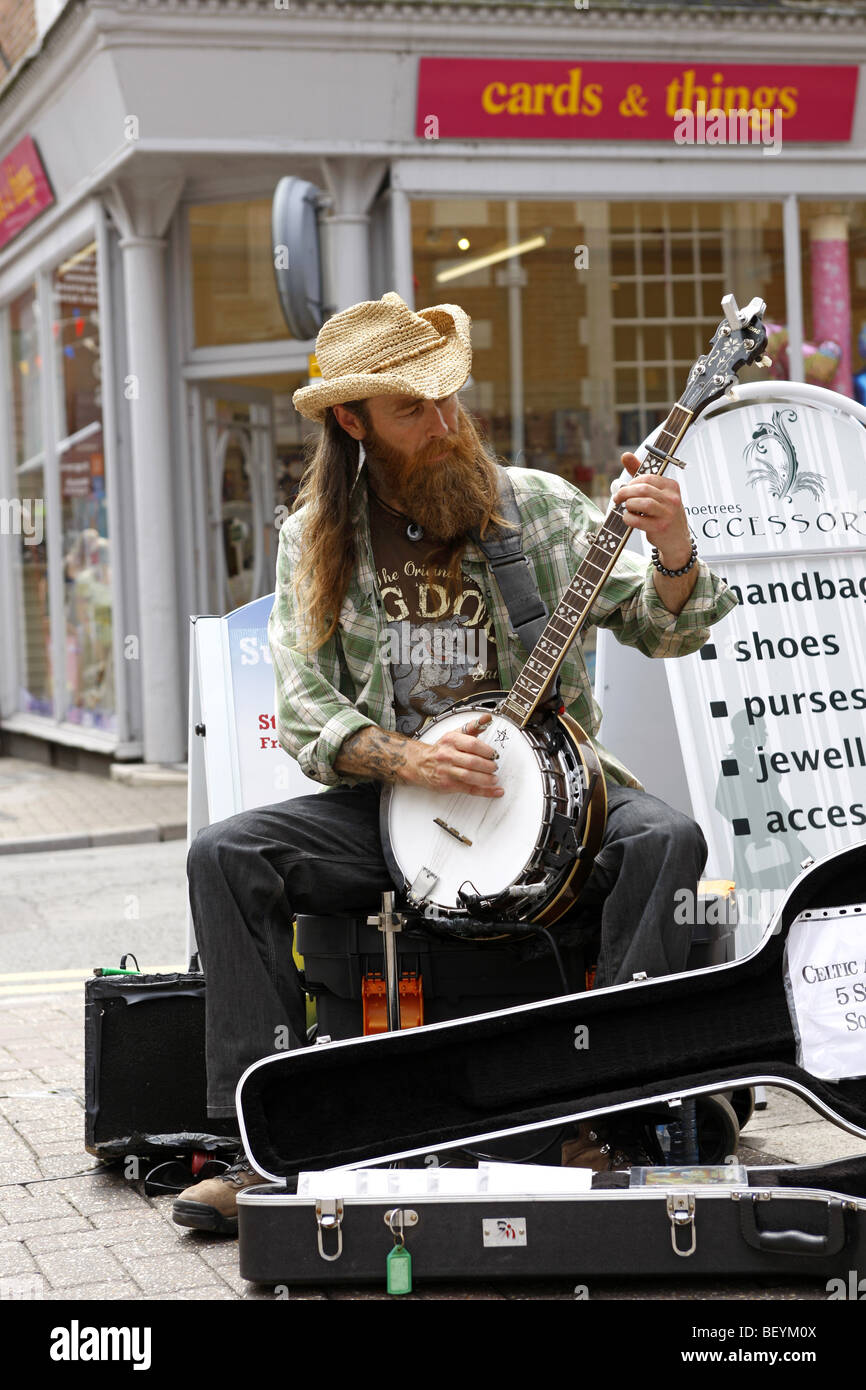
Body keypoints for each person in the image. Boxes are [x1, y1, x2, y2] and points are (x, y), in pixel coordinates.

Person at [174, 291, 738, 1233]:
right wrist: (410, 758)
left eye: (449, 399)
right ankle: (266, 1142)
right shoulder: (315, 542)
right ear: (351, 421)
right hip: (396, 808)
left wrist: (674, 546)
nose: (442, 424)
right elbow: (309, 708)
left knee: (668, 841)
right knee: (224, 856)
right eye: (411, 410)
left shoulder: (541, 508)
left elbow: (664, 625)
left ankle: (604, 1115)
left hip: (557, 803)